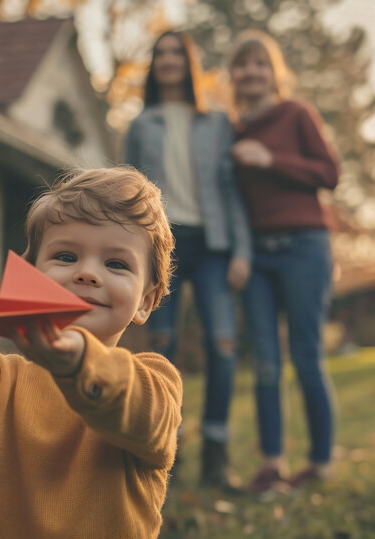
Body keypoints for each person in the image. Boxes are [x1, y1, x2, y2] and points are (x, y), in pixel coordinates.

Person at [0, 167, 182, 539]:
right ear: (31, 276)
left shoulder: (154, 379)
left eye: (116, 264)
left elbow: (146, 420)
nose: (87, 274)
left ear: (145, 301)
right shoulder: (1, 379)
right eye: (65, 256)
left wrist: (81, 362)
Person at [124, 30, 252, 488]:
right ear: (153, 65)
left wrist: (242, 250)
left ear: (189, 63)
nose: (169, 60)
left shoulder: (216, 122)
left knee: (223, 345)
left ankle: (217, 455)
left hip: (215, 246)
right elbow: (129, 197)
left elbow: (232, 190)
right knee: (162, 346)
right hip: (164, 246)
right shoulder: (141, 125)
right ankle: (165, 455)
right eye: (161, 53)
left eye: (177, 52)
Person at [227, 30, 340, 492]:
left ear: (274, 73)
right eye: (242, 64)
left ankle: (319, 463)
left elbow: (329, 174)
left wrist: (270, 158)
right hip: (256, 255)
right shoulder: (232, 132)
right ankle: (272, 463)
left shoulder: (296, 114)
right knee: (266, 364)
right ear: (232, 76)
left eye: (260, 63)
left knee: (307, 358)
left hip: (304, 247)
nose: (251, 71)